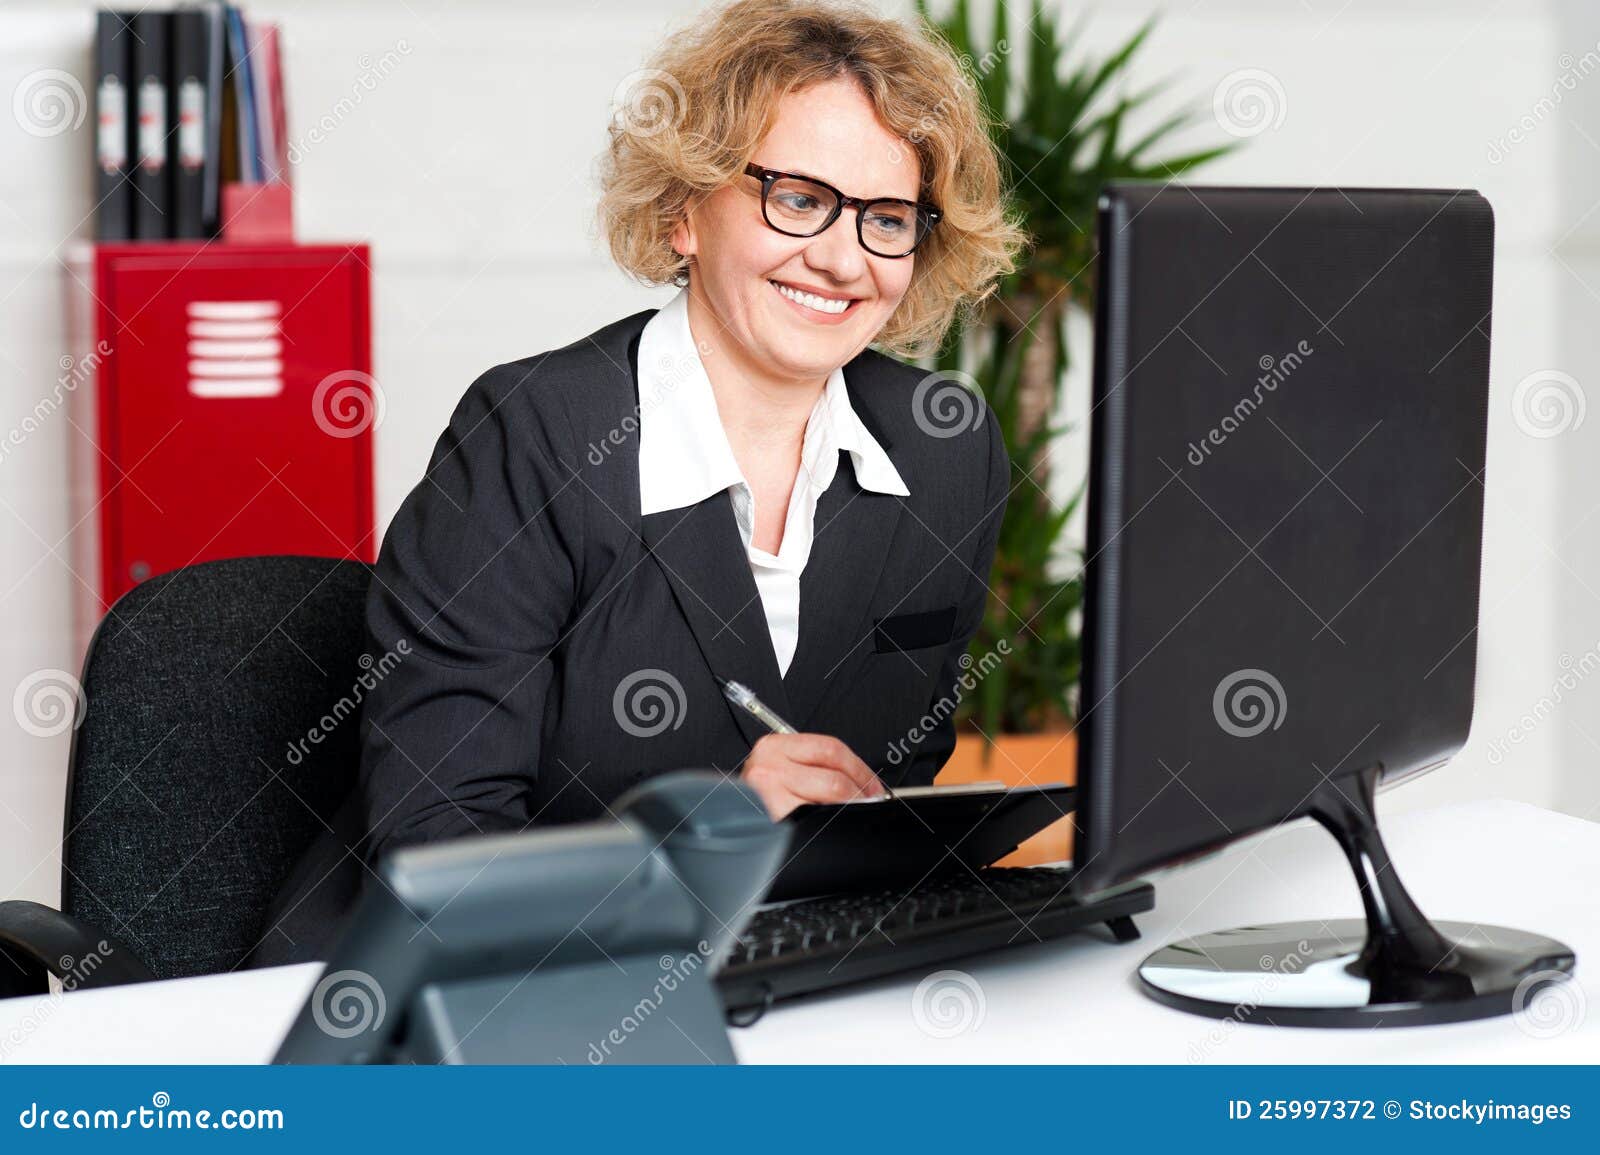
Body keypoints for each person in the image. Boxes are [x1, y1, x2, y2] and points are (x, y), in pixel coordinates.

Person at [250, 0, 1024, 966]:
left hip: (762, 971)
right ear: (682, 210)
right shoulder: (533, 435)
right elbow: (440, 841)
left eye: (887, 219)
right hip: (444, 994)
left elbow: (895, 776)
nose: (840, 256)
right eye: (797, 198)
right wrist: (718, 821)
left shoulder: (943, 448)